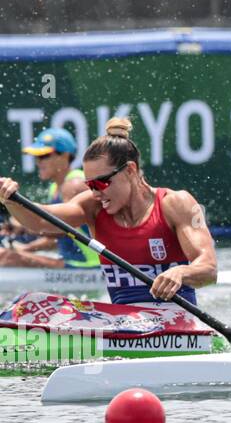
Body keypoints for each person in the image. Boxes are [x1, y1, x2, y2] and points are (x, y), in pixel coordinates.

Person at [0, 117, 217, 304]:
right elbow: (40, 221)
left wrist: (181, 272)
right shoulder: (92, 206)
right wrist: (11, 200)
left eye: (101, 183)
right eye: (90, 185)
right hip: (124, 325)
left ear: (130, 170)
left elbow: (208, 269)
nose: (95, 193)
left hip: (178, 325)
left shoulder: (177, 203)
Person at [0, 127, 96, 269]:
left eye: (43, 156)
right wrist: (27, 248)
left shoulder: (74, 185)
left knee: (6, 258)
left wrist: (24, 228)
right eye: (36, 157)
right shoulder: (55, 188)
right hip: (73, 264)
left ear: (64, 156)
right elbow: (61, 237)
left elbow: (62, 230)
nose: (38, 162)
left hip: (89, 267)